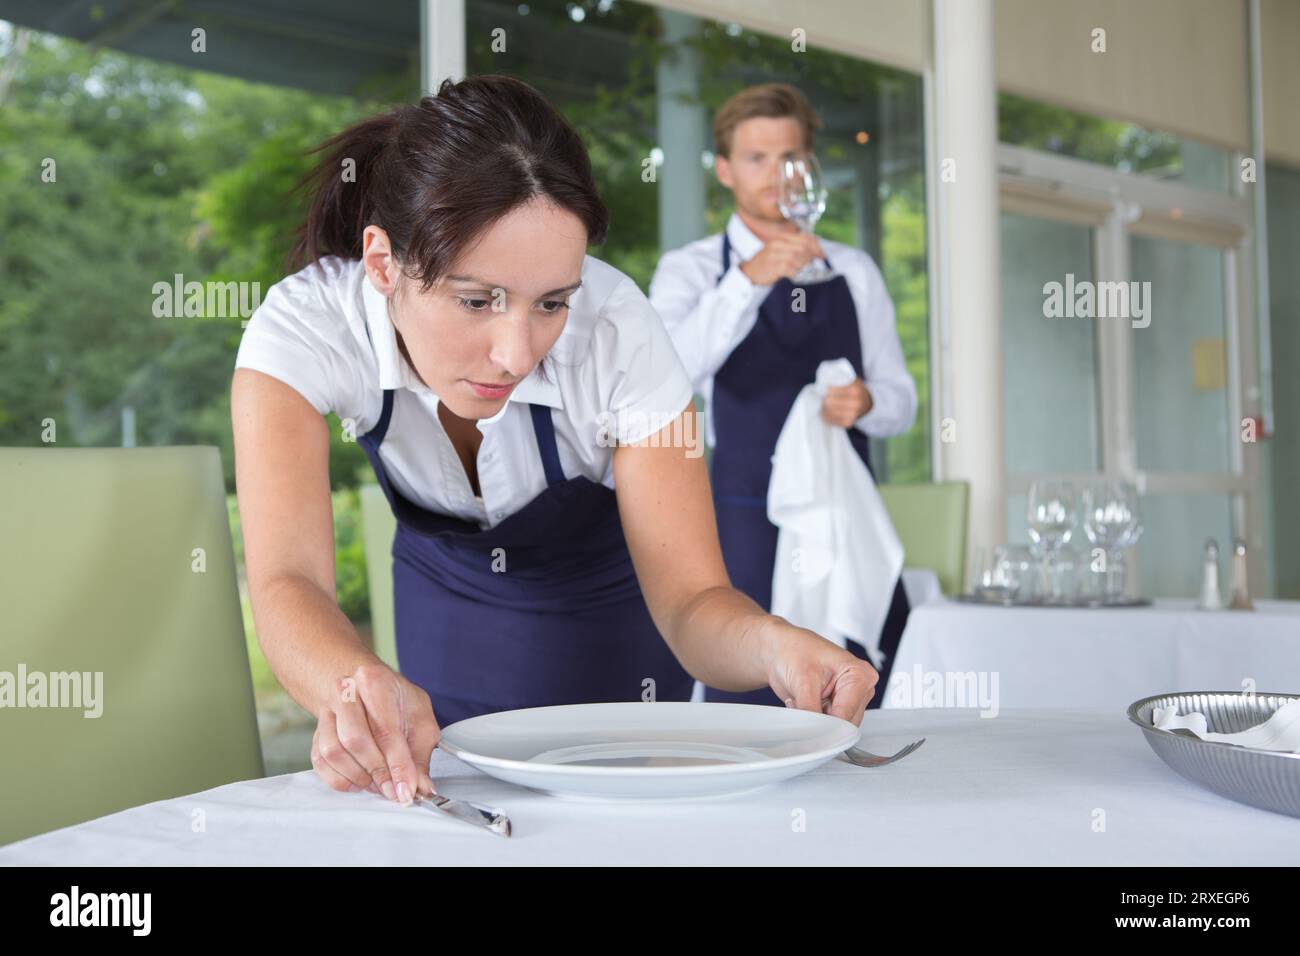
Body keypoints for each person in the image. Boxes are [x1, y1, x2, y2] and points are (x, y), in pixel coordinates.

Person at [231, 75, 879, 807]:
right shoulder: (307, 327)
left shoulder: (618, 331)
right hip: (443, 606)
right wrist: (350, 684)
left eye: (552, 303)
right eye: (478, 301)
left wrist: (772, 644)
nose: (517, 352)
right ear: (383, 263)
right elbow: (288, 581)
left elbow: (694, 600)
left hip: (615, 626)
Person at [649, 83, 917, 709]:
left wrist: (869, 402)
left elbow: (901, 399)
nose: (776, 176)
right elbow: (670, 373)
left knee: (869, 685)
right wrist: (749, 279)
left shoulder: (854, 270)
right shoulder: (690, 270)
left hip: (846, 515)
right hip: (742, 520)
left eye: (789, 158)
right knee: (747, 698)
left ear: (811, 166)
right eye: (756, 159)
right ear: (724, 169)